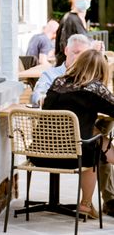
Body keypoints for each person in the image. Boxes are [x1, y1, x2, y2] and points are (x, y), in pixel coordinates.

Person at [36, 48, 114, 219]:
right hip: (73, 156)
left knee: (94, 139)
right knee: (95, 149)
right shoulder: (95, 89)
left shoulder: (58, 82)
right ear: (101, 70)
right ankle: (86, 205)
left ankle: (94, 203)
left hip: (41, 153)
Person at [31, 33, 92, 106]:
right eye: (76, 52)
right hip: (53, 116)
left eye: (83, 55)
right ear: (66, 50)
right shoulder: (50, 74)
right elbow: (37, 96)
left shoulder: (90, 76)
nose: (79, 58)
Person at [54, 0, 94, 66]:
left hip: (80, 66)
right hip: (69, 70)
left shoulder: (81, 20)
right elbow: (65, 48)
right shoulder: (70, 19)